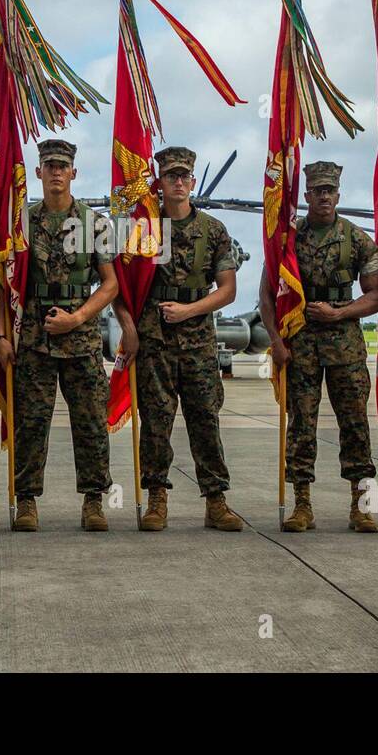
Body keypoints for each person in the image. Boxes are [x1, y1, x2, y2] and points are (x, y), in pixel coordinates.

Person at [112, 146, 244, 532]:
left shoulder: (213, 230)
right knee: (156, 421)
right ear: (160, 181)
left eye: (185, 176)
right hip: (153, 341)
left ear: (193, 181)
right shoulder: (143, 230)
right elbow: (119, 287)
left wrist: (189, 311)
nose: (179, 182)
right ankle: (156, 499)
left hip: (199, 340)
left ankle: (216, 500)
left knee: (205, 419)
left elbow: (228, 289)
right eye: (171, 175)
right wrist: (129, 329)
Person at [0, 139, 119, 532]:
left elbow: (111, 284)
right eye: (49, 165)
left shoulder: (95, 224)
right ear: (38, 173)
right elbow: (3, 284)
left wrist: (77, 317)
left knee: (90, 423)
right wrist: (1, 336)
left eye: (63, 166)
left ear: (74, 173)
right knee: (30, 423)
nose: (56, 172)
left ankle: (94, 501)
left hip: (80, 339)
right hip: (33, 338)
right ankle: (27, 501)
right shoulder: (21, 224)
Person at [260, 161, 378, 533]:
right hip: (300, 345)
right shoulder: (287, 239)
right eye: (317, 191)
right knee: (301, 424)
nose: (324, 196)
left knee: (355, 424)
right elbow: (267, 296)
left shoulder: (357, 239)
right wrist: (277, 342)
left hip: (344, 344)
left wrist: (339, 313)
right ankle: (301, 504)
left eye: (330, 190)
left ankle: (360, 503)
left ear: (338, 195)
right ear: (307, 195)